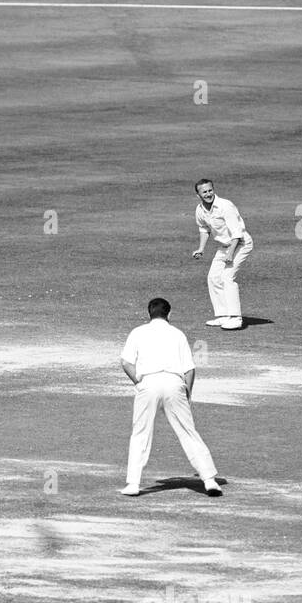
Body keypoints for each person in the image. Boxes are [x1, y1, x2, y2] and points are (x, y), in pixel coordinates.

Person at [119, 297, 223, 498]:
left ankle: (133, 483)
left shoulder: (138, 332)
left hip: (148, 383)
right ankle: (209, 480)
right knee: (188, 432)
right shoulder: (178, 334)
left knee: (140, 433)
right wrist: (188, 393)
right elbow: (190, 369)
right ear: (169, 314)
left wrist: (137, 382)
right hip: (175, 383)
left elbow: (125, 362)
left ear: (148, 313)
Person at [191, 178, 253, 330]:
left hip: (240, 244)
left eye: (210, 190)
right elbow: (204, 229)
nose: (208, 194)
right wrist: (201, 249)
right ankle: (224, 315)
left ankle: (236, 318)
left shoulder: (225, 206)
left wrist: (231, 253)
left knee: (227, 277)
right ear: (198, 195)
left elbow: (237, 233)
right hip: (224, 246)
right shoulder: (200, 210)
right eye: (204, 192)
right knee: (213, 277)